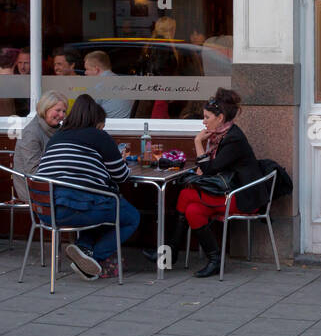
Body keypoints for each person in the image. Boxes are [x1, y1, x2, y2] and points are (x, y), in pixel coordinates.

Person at [144, 88, 265, 278]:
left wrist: (198, 142)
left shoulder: (233, 139)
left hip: (241, 196)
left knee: (185, 194)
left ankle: (171, 251)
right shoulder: (221, 136)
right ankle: (214, 259)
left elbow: (209, 170)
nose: (204, 121)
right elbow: (210, 169)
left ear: (220, 118)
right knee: (192, 210)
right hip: (225, 191)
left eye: (207, 117)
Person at [33, 95, 140, 281]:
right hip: (76, 206)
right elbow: (121, 176)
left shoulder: (56, 137)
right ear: (96, 122)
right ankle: (94, 258)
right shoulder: (99, 136)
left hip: (45, 210)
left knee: (100, 210)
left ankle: (82, 247)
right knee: (130, 217)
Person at [13, 91, 68, 202]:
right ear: (45, 109)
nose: (62, 115)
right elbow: (33, 172)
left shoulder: (57, 130)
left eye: (64, 111)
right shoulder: (31, 134)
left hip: (50, 184)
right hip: (32, 189)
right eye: (57, 110)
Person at [83, 50, 135, 119]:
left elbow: (84, 115)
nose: (85, 73)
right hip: (128, 126)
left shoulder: (99, 87)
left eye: (87, 69)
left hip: (110, 127)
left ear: (96, 69)